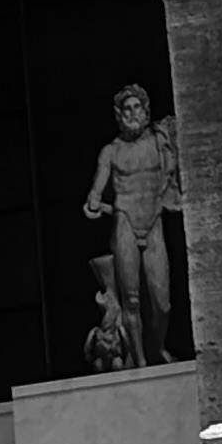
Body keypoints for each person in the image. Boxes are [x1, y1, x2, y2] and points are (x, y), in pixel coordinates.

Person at [82, 81, 182, 364]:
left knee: (162, 302)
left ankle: (155, 346)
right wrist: (93, 202)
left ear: (145, 110)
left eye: (137, 107)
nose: (132, 113)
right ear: (119, 114)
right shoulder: (111, 151)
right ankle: (139, 360)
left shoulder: (159, 143)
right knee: (132, 300)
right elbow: (95, 193)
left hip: (153, 221)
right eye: (126, 109)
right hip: (125, 221)